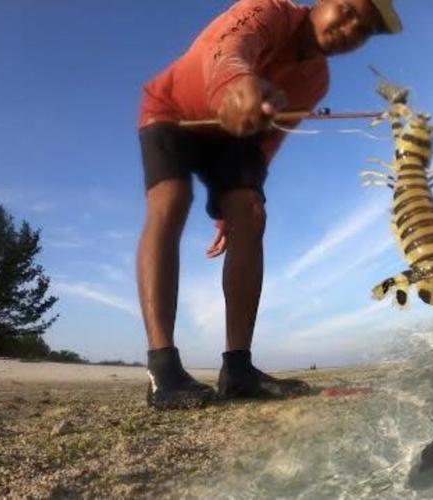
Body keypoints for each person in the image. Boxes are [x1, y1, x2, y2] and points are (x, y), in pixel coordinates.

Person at [137, 0, 402, 410]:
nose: (350, 29)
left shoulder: (317, 80)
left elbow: (270, 138)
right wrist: (235, 84)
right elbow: (228, 46)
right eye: (347, 11)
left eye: (363, 30)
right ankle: (162, 367)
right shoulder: (269, 9)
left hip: (239, 137)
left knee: (251, 213)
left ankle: (238, 368)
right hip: (174, 112)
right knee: (171, 201)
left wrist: (243, 195)